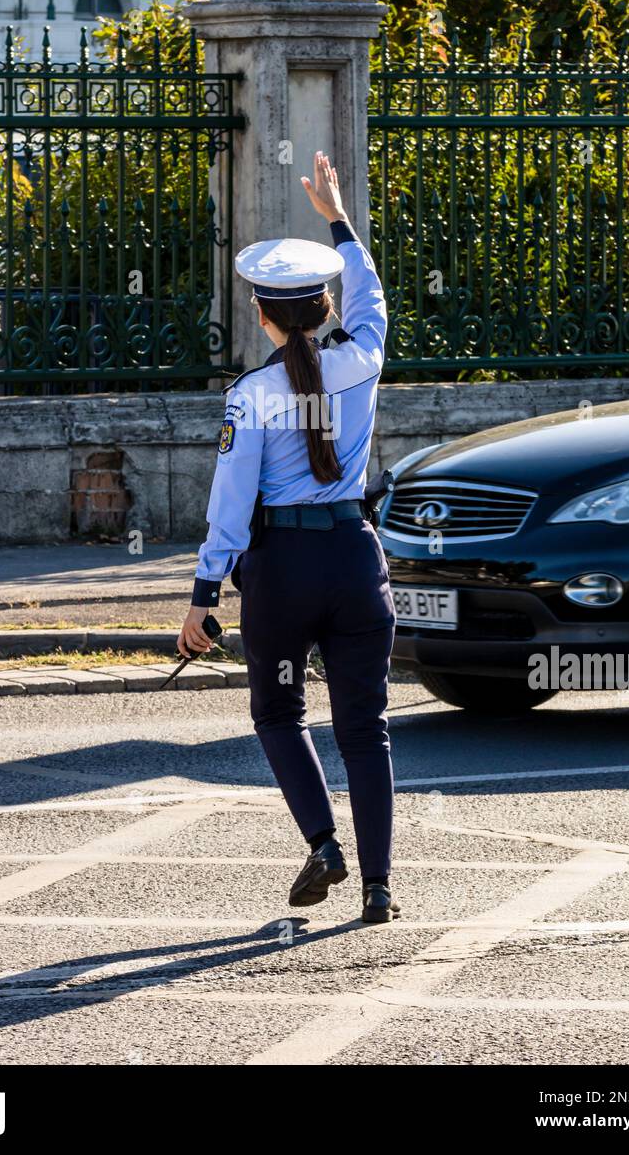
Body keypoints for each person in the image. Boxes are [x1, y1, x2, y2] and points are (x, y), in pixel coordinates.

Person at [178, 152, 398, 924]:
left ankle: (323, 844)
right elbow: (373, 299)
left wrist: (204, 598)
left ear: (262, 316)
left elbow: (231, 507)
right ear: (327, 306)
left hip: (281, 574)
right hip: (355, 557)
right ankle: (378, 889)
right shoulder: (363, 358)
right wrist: (337, 217)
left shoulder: (252, 395)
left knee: (279, 716)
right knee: (366, 730)